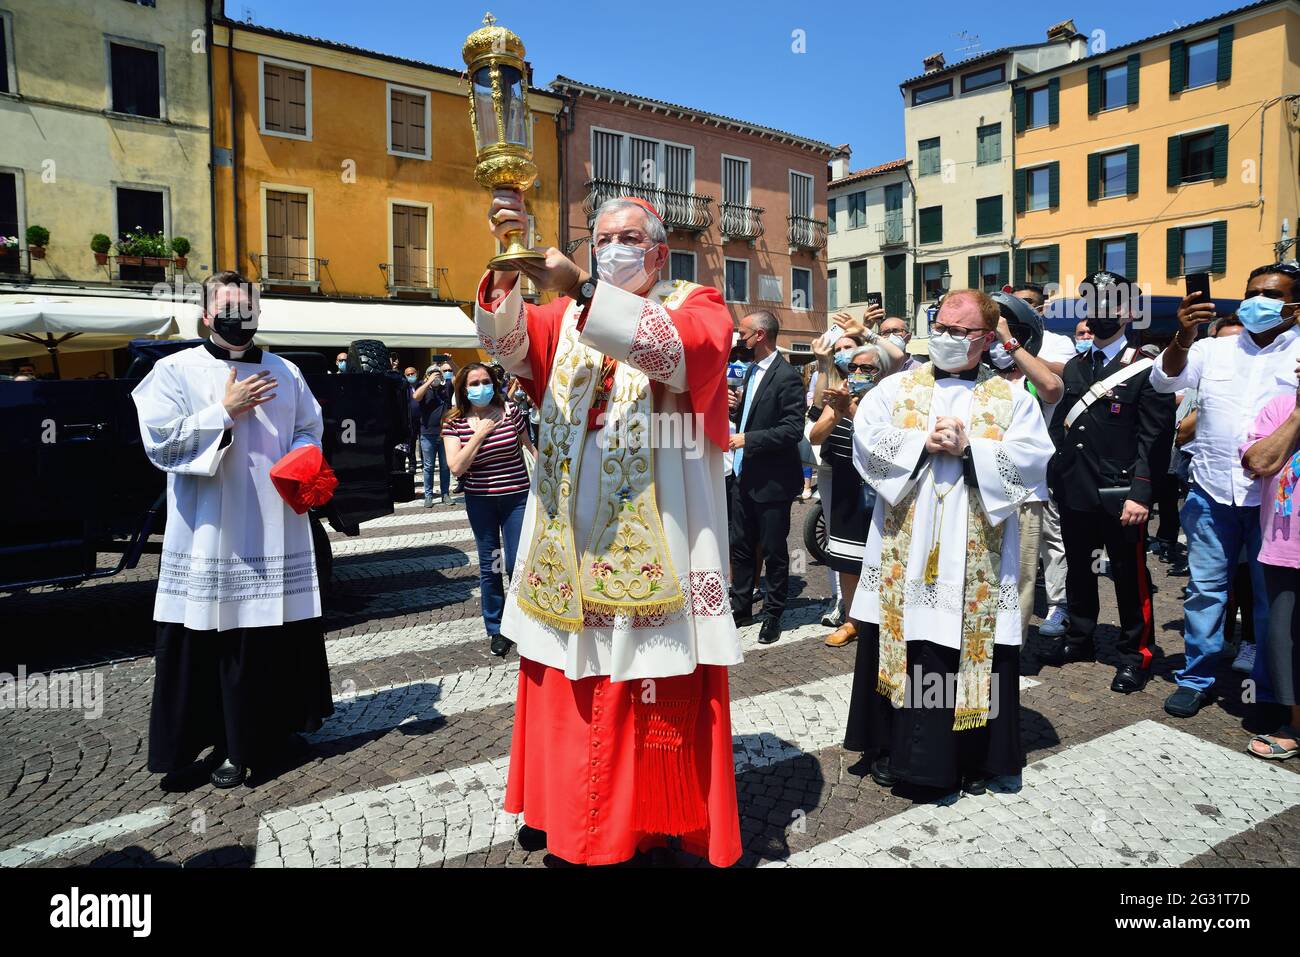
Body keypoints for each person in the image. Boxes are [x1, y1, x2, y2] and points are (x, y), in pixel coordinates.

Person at [475, 188, 743, 867]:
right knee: (569, 679)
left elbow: (683, 355)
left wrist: (588, 288)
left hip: (660, 540)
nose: (612, 246)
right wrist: (509, 269)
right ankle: (565, 815)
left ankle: (647, 827)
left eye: (627, 237)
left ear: (659, 250)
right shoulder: (563, 316)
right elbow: (506, 346)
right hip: (569, 544)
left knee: (643, 686)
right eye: (602, 238)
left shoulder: (696, 305)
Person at [843, 289, 1054, 795]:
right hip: (903, 547)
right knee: (905, 638)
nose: (946, 337)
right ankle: (894, 749)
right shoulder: (895, 388)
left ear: (986, 339)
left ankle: (973, 757)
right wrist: (920, 443)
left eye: (960, 332)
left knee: (967, 644)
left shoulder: (1011, 398)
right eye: (940, 325)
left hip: (975, 547)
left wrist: (969, 451)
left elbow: (1033, 462)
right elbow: (864, 442)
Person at [130, 271, 332, 789]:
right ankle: (222, 739)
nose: (238, 319)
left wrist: (303, 460)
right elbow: (160, 446)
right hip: (211, 532)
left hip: (276, 524)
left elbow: (310, 427)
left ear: (259, 314)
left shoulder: (285, 371)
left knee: (275, 635)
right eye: (227, 309)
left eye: (247, 310)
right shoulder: (173, 371)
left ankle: (271, 734)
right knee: (216, 637)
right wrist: (224, 411)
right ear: (206, 315)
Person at [1150, 262, 1300, 718]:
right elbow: (1163, 379)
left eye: (1272, 296)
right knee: (1205, 591)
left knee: (1271, 600)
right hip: (1211, 492)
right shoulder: (1213, 349)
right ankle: (1196, 678)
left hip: (1277, 504)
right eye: (1253, 292)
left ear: (1295, 306)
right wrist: (1182, 336)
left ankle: (1273, 692)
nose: (1260, 302)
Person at [1043, 272, 1174, 693]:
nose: (1099, 313)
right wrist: (1056, 477)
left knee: (1129, 576)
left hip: (1121, 496)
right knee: (1079, 570)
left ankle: (1137, 654)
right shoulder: (1078, 366)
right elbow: (1064, 429)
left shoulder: (1144, 368)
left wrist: (1141, 493)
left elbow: (1153, 440)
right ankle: (1079, 639)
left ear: (1130, 312)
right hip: (1075, 490)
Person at [988, 291, 1064, 645]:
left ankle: (1009, 648)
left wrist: (1009, 339)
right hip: (981, 488)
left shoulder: (1034, 375)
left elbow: (1052, 388)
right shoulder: (980, 376)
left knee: (1017, 578)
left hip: (1026, 494)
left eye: (999, 331)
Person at [442, 362, 533, 656]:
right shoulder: (453, 422)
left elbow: (529, 449)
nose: (481, 387)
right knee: (491, 564)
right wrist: (479, 434)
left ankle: (524, 622)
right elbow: (456, 467)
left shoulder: (511, 413)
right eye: (474, 383)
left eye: (485, 381)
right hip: (481, 502)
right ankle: (496, 628)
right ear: (464, 390)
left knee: (516, 563)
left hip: (517, 499)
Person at [810, 341, 897, 647]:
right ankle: (851, 621)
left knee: (884, 552)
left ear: (881, 372)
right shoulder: (839, 395)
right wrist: (835, 412)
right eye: (854, 367)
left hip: (879, 485)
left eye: (867, 368)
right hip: (845, 479)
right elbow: (815, 435)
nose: (858, 372)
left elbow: (882, 438)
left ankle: (885, 617)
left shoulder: (891, 399)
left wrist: (850, 407)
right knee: (847, 555)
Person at [727, 310, 807, 646]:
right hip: (744, 473)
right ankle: (741, 605)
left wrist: (749, 439)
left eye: (742, 334)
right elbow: (757, 416)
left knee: (774, 550)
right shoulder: (749, 372)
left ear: (760, 334)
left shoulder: (787, 375)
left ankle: (773, 613)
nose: (737, 340)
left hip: (773, 480)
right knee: (741, 545)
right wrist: (736, 409)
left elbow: (792, 430)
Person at [1240, 369, 1300, 760]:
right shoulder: (1280, 407)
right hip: (1285, 549)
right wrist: (1297, 416)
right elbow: (1258, 461)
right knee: (1288, 640)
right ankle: (1295, 726)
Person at [1011, 284, 1072, 639]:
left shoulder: (1056, 342)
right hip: (999, 461)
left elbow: (1055, 381)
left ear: (1043, 308)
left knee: (1051, 536)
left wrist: (1016, 348)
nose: (1021, 309)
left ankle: (1058, 604)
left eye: (1029, 304)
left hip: (1042, 460)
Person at [413, 364, 453, 506]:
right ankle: (428, 495)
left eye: (439, 374)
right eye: (433, 374)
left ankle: (445, 494)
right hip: (427, 434)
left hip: (444, 434)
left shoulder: (445, 388)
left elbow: (460, 377)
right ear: (427, 376)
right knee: (428, 466)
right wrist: (429, 382)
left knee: (444, 466)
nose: (437, 377)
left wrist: (450, 364)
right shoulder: (423, 387)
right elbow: (416, 396)